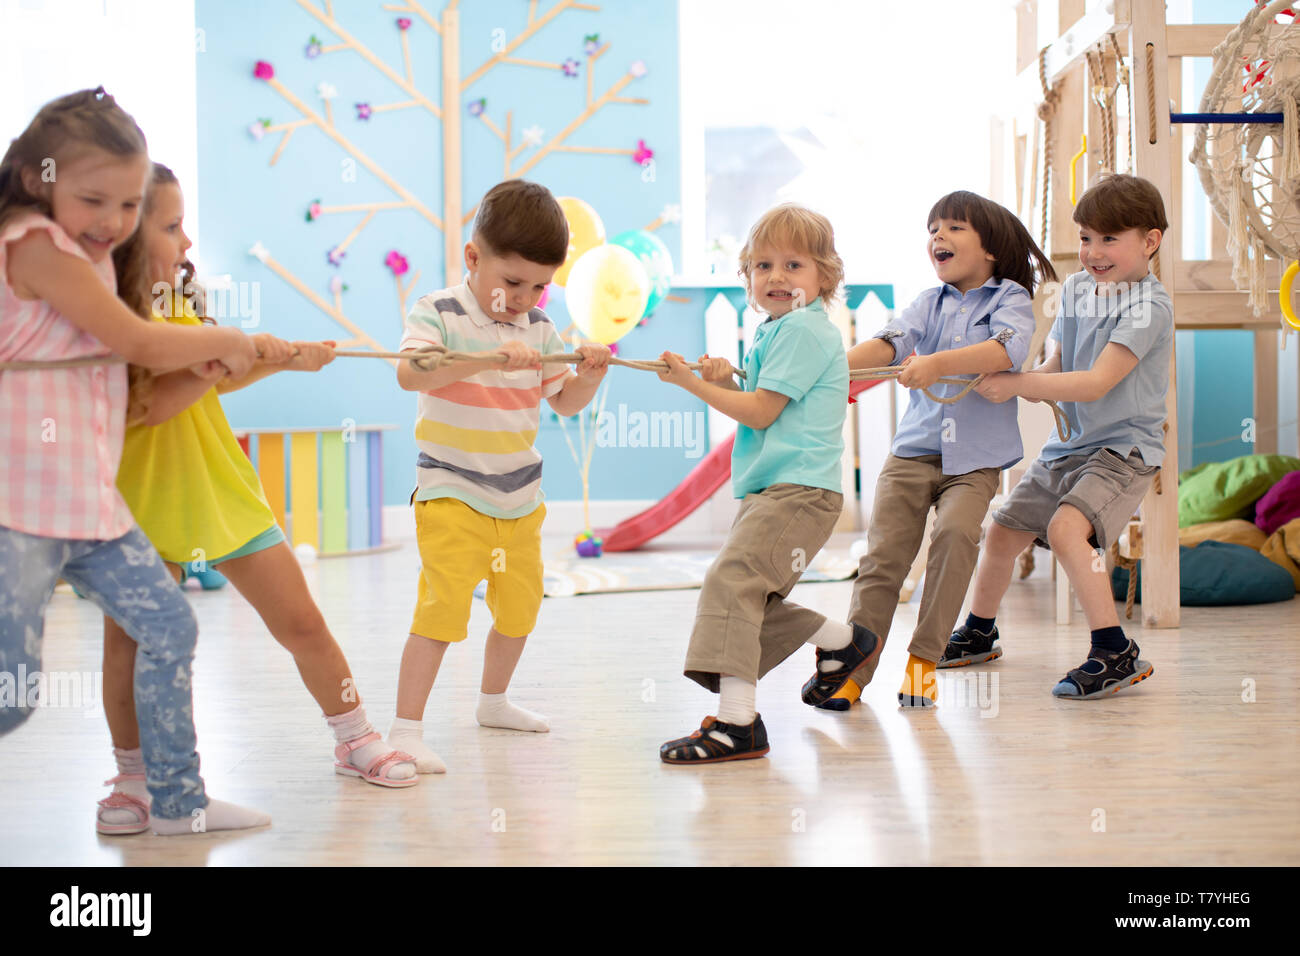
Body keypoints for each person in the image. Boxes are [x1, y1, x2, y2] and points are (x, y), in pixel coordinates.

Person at [95, 163, 417, 835]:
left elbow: (210, 385)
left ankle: (355, 737)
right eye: (173, 226)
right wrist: (223, 357)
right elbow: (148, 405)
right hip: (139, 504)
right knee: (127, 649)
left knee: (302, 623)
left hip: (221, 491)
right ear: (125, 231)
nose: (187, 242)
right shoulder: (114, 321)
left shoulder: (184, 306)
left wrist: (277, 358)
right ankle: (131, 780)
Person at [0, 88, 266, 834]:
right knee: (11, 698)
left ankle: (178, 805)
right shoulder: (34, 245)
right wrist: (225, 341)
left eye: (126, 207)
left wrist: (207, 364)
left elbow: (133, 388)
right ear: (34, 179)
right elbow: (137, 342)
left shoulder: (80, 258)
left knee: (171, 627)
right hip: (21, 513)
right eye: (94, 200)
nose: (113, 224)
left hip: (89, 509)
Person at [387, 179, 610, 772]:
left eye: (539, 286)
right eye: (512, 283)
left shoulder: (539, 329)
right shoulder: (438, 310)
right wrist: (487, 357)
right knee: (441, 610)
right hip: (451, 490)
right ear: (473, 258)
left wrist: (590, 373)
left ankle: (493, 701)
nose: (525, 297)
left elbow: (564, 403)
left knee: (520, 610)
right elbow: (412, 373)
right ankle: (405, 728)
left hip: (518, 498)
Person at [804, 190, 1055, 711]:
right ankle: (855, 669)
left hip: (976, 459)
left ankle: (923, 662)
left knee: (958, 535)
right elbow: (890, 343)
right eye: (933, 228)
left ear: (989, 248)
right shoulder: (927, 303)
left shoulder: (1008, 297)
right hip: (913, 452)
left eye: (954, 227)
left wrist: (936, 363)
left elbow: (1008, 349)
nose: (938, 236)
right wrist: (829, 370)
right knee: (882, 559)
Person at [655, 203, 868, 764]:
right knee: (747, 597)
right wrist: (728, 375)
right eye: (763, 265)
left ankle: (737, 723)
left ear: (825, 277)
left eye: (794, 265)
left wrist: (691, 385)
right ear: (747, 275)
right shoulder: (779, 330)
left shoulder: (804, 330)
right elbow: (764, 393)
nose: (777, 277)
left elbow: (761, 412)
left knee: (732, 583)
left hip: (798, 491)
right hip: (776, 489)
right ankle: (844, 643)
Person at [947, 173, 1170, 700]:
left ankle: (1114, 650)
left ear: (1150, 241)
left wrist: (1021, 383)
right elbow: (1059, 360)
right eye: (1086, 238)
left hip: (1124, 451)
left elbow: (1096, 382)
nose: (1092, 252)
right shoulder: (1074, 288)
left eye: (1109, 239)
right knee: (1002, 531)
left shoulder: (1148, 307)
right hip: (1071, 444)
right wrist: (1026, 378)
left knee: (1070, 532)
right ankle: (979, 632)